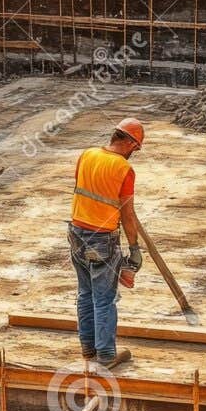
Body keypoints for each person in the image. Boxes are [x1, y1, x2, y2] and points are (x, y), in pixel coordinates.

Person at [69, 119, 145, 368]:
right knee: (104, 298)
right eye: (136, 148)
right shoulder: (123, 168)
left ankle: (88, 349)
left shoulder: (86, 155)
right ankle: (106, 355)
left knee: (85, 293)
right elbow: (127, 213)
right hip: (101, 239)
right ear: (130, 142)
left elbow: (83, 189)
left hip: (76, 232)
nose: (135, 153)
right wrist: (134, 250)